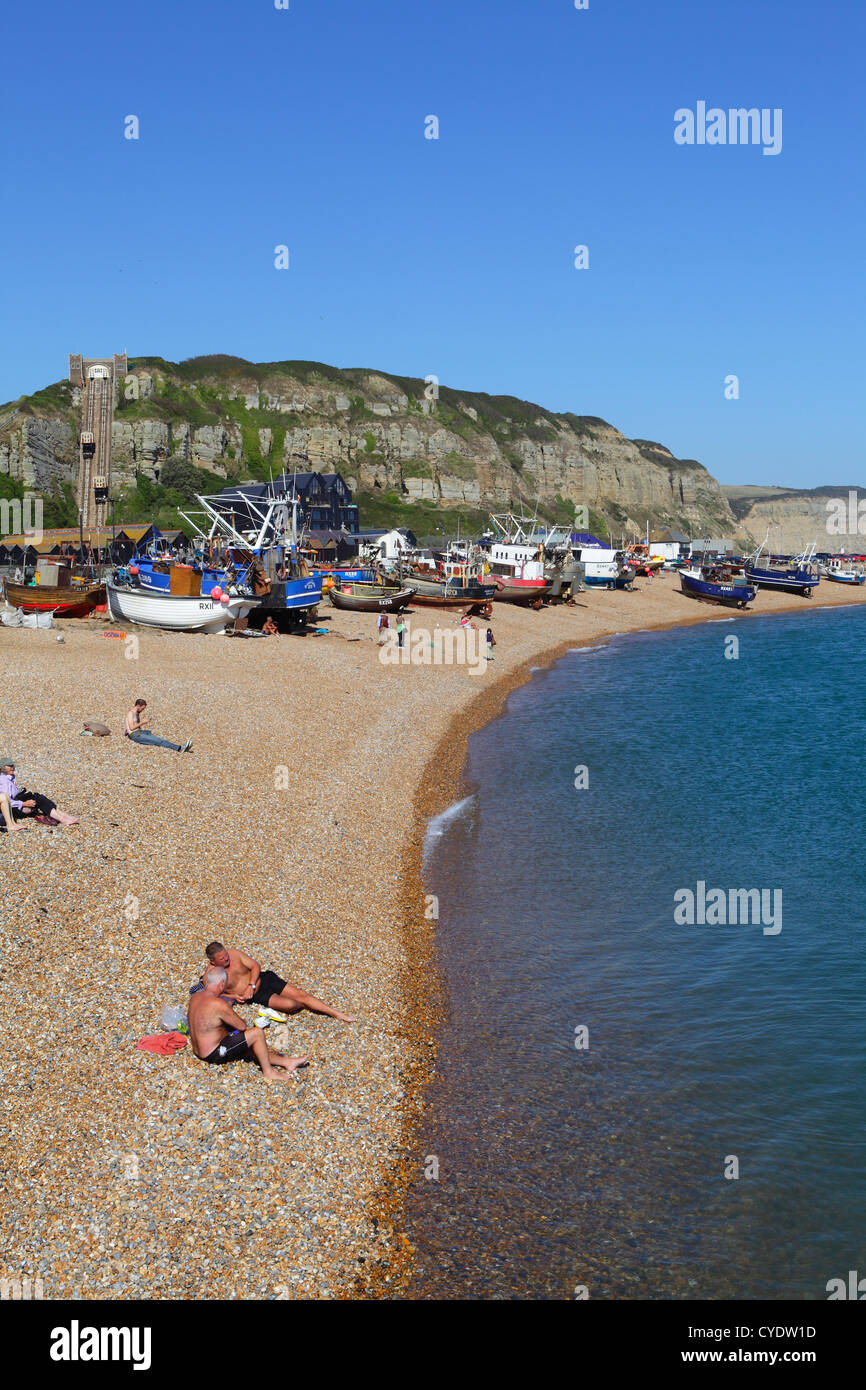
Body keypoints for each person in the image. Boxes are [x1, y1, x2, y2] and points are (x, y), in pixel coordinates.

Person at [188, 967, 308, 1079]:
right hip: (214, 1053)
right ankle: (269, 1072)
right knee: (256, 1034)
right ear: (221, 984)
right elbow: (241, 1026)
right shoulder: (218, 1004)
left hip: (198, 1050)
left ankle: (287, 1062)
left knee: (249, 1045)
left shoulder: (196, 997)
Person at [204, 941, 356, 1023]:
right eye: (222, 958)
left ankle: (336, 1014)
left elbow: (255, 966)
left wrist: (251, 985)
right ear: (212, 961)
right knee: (292, 1006)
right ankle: (309, 1005)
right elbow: (214, 994)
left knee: (300, 994)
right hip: (257, 996)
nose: (226, 958)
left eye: (226, 954)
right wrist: (234, 997)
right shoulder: (211, 975)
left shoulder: (234, 954)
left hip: (263, 979)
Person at [0, 758, 79, 826]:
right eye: (9, 766)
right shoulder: (4, 781)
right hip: (13, 809)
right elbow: (6, 801)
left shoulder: (10, 777)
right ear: (3, 767)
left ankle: (64, 815)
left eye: (12, 765)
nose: (12, 767)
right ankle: (62, 818)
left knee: (38, 796)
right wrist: (24, 804)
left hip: (17, 801)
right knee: (39, 800)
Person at [124, 699, 192, 753]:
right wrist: (142, 722)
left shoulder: (136, 713)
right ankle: (179, 748)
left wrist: (125, 732)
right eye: (142, 708)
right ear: (138, 706)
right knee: (158, 740)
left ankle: (180, 747)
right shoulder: (131, 713)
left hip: (139, 733)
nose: (143, 710)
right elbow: (132, 727)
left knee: (152, 735)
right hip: (136, 735)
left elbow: (128, 724)